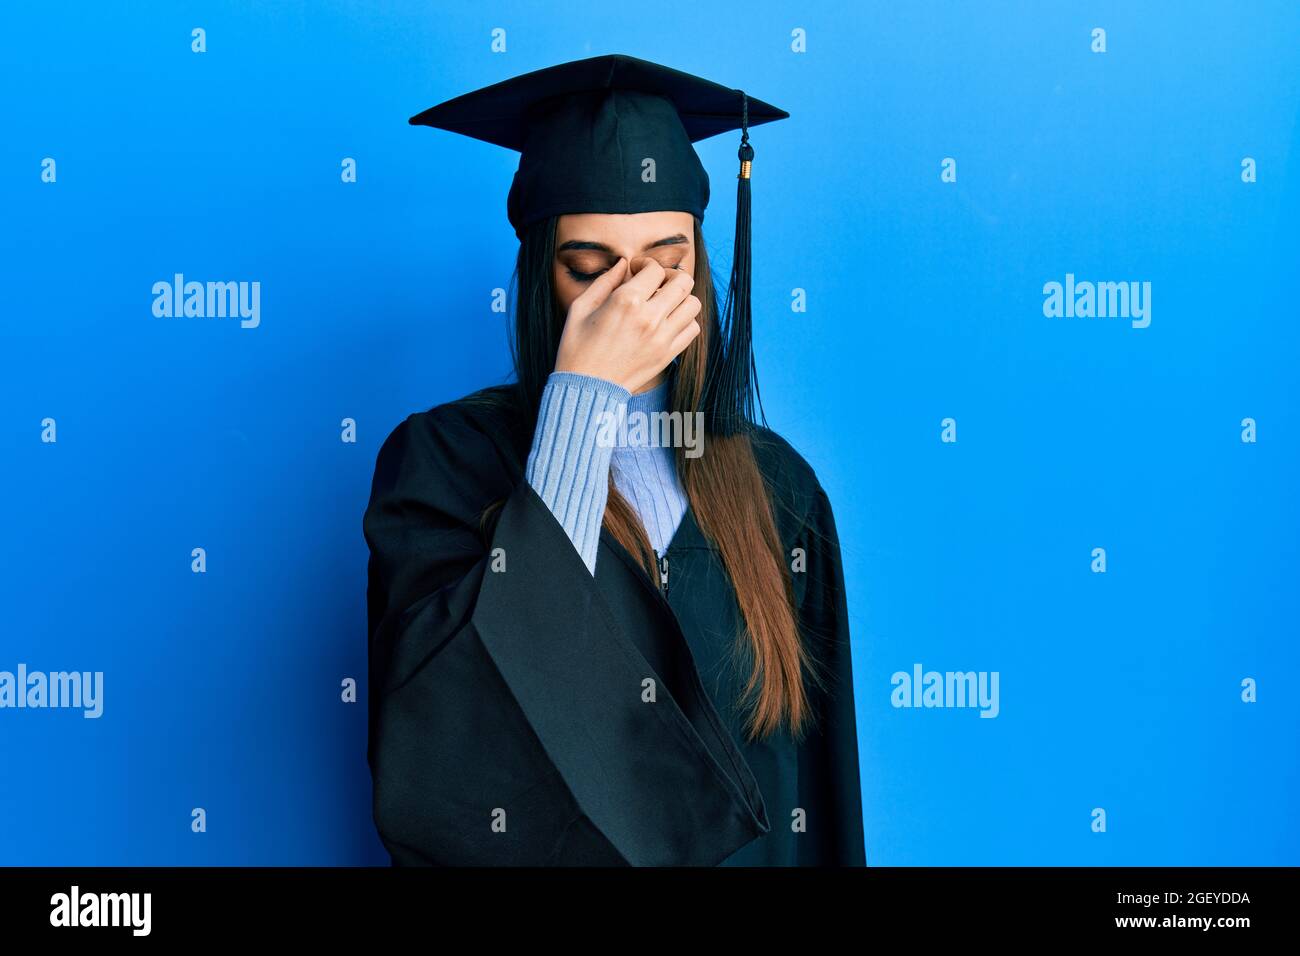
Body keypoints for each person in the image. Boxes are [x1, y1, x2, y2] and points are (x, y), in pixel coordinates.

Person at [363, 53, 865, 866]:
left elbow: (820, 792)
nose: (633, 297)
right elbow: (434, 750)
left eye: (666, 260)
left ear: (702, 259)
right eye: (590, 269)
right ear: (540, 276)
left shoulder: (778, 489)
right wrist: (580, 405)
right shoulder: (444, 463)